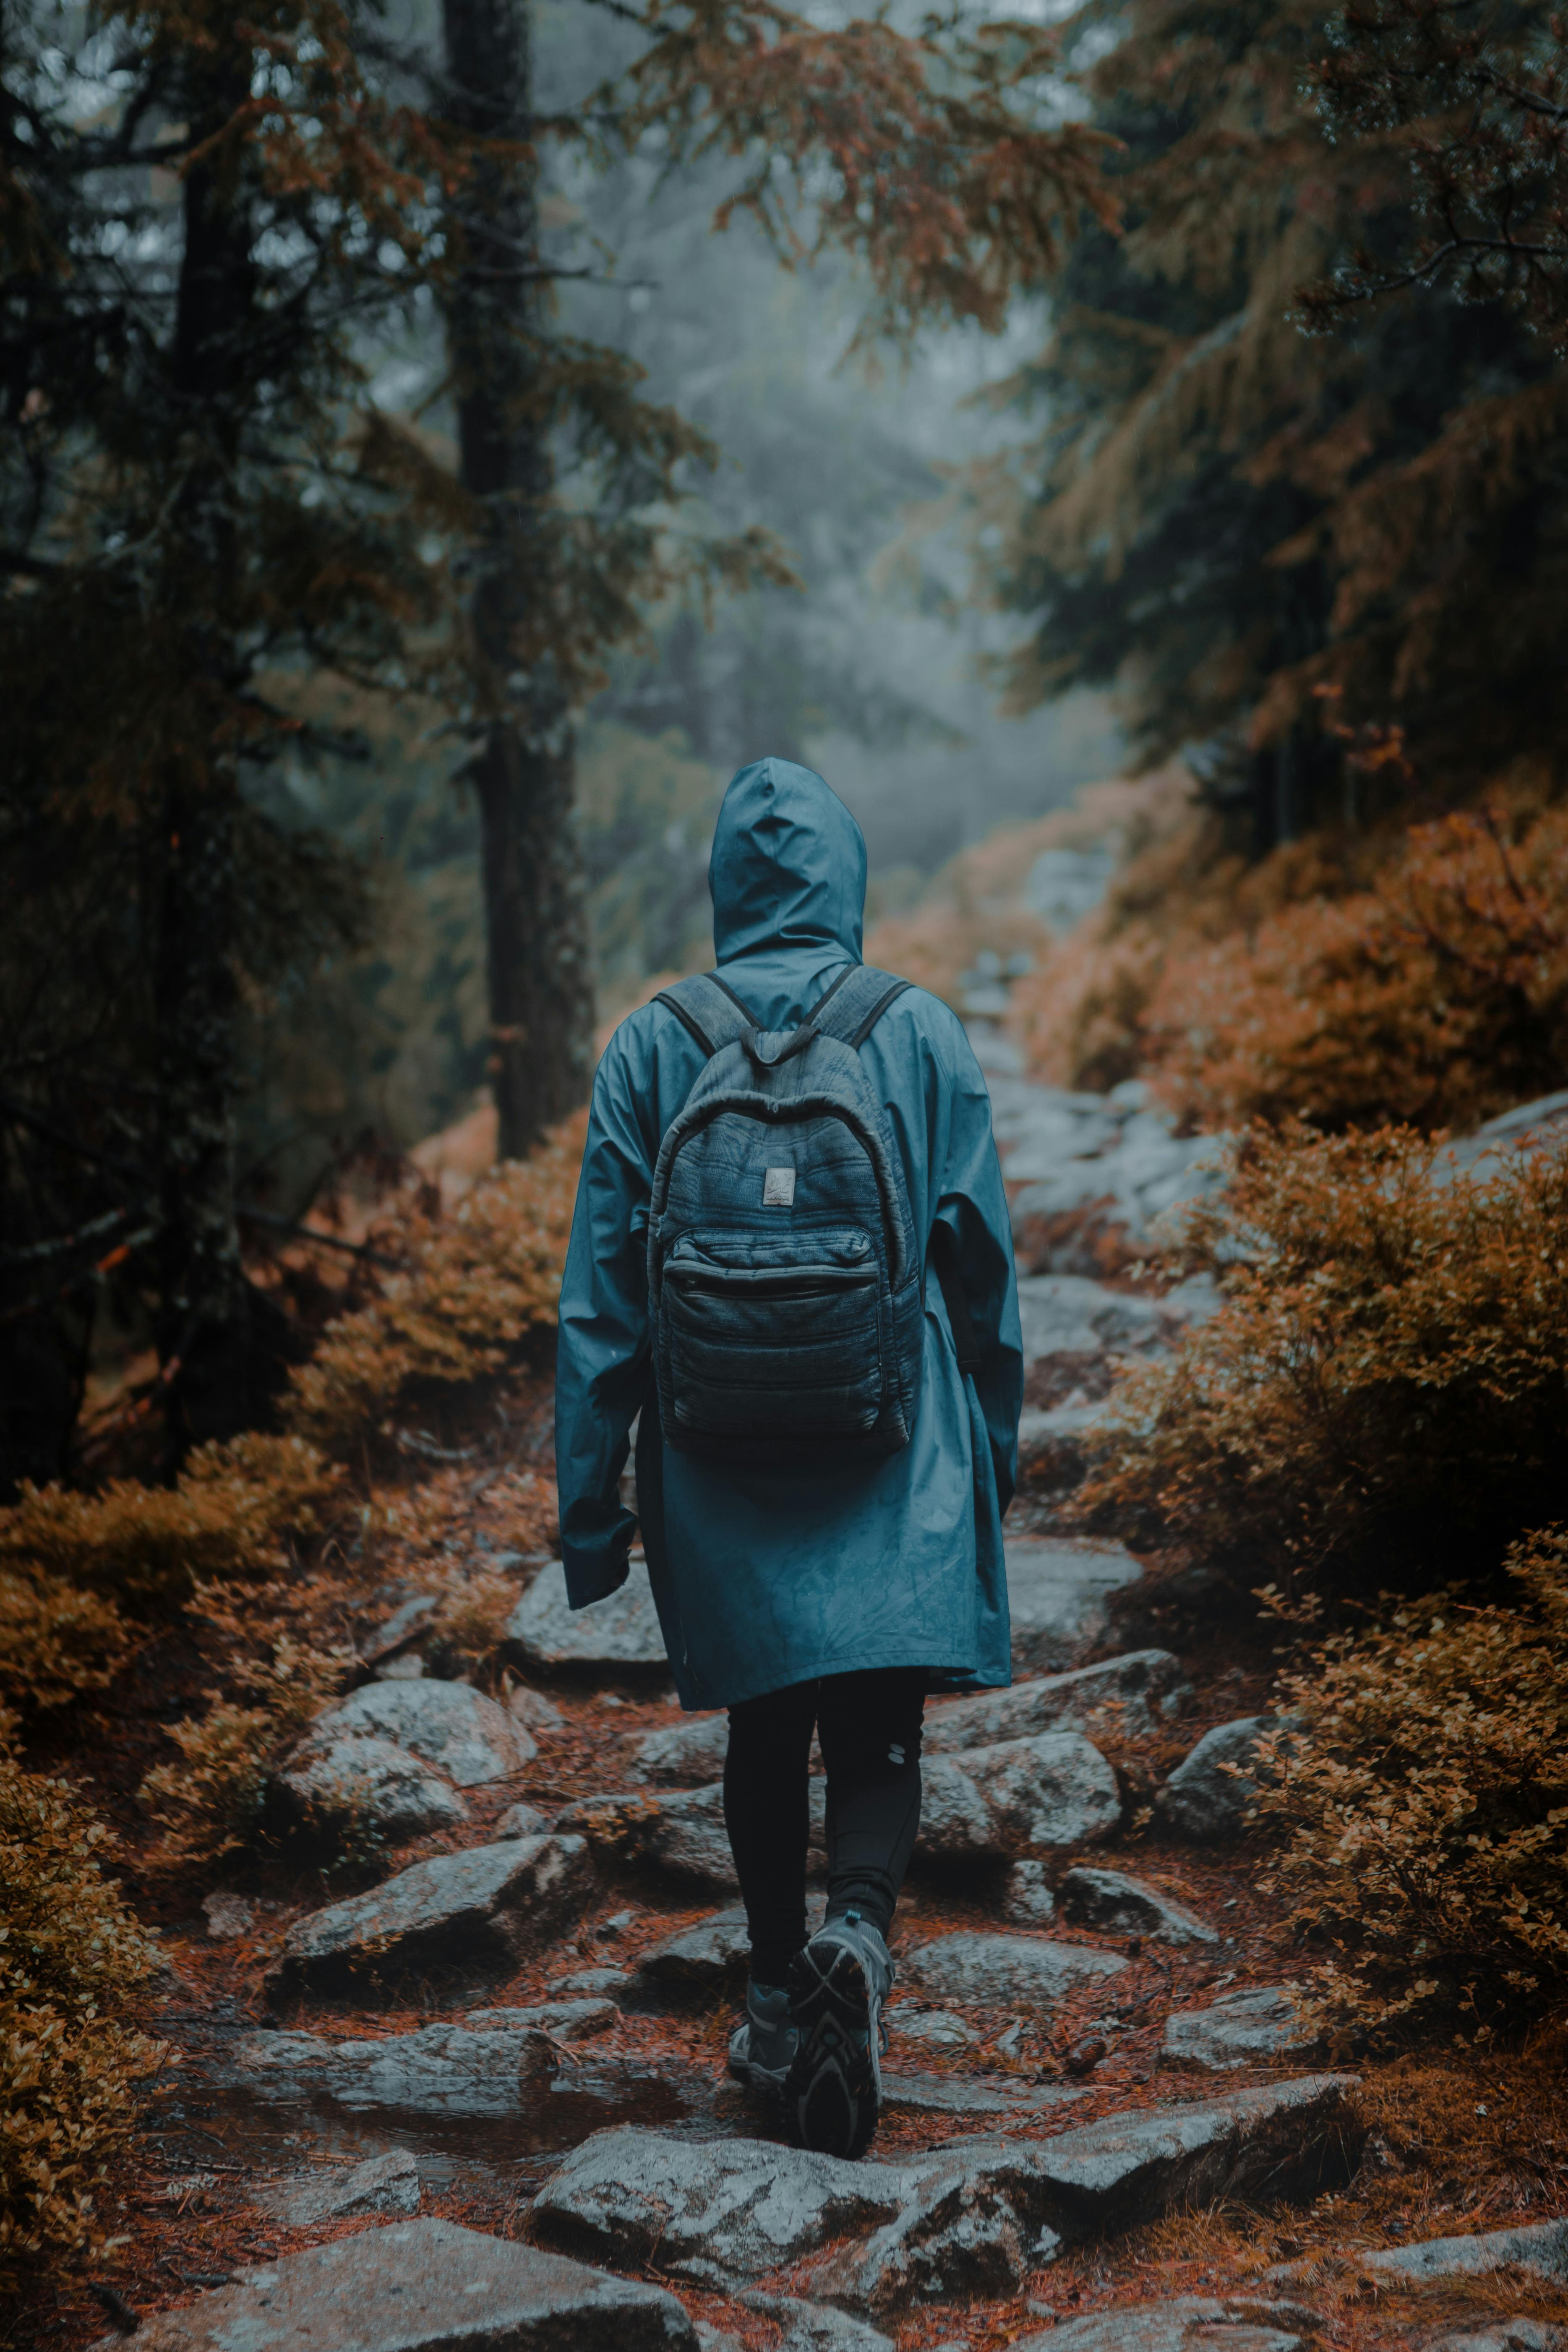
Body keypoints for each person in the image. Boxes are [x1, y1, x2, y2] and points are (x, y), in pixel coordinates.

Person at [555, 756, 1023, 2158]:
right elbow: (984, 1270)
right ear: (847, 875)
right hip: (891, 1435)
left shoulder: (652, 1042)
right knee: (878, 1701)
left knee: (766, 1715)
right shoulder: (916, 1028)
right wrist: (988, 1457)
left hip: (717, 1449)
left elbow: (599, 1304)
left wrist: (592, 1518)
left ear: (725, 886)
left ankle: (771, 1994)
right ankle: (861, 1946)